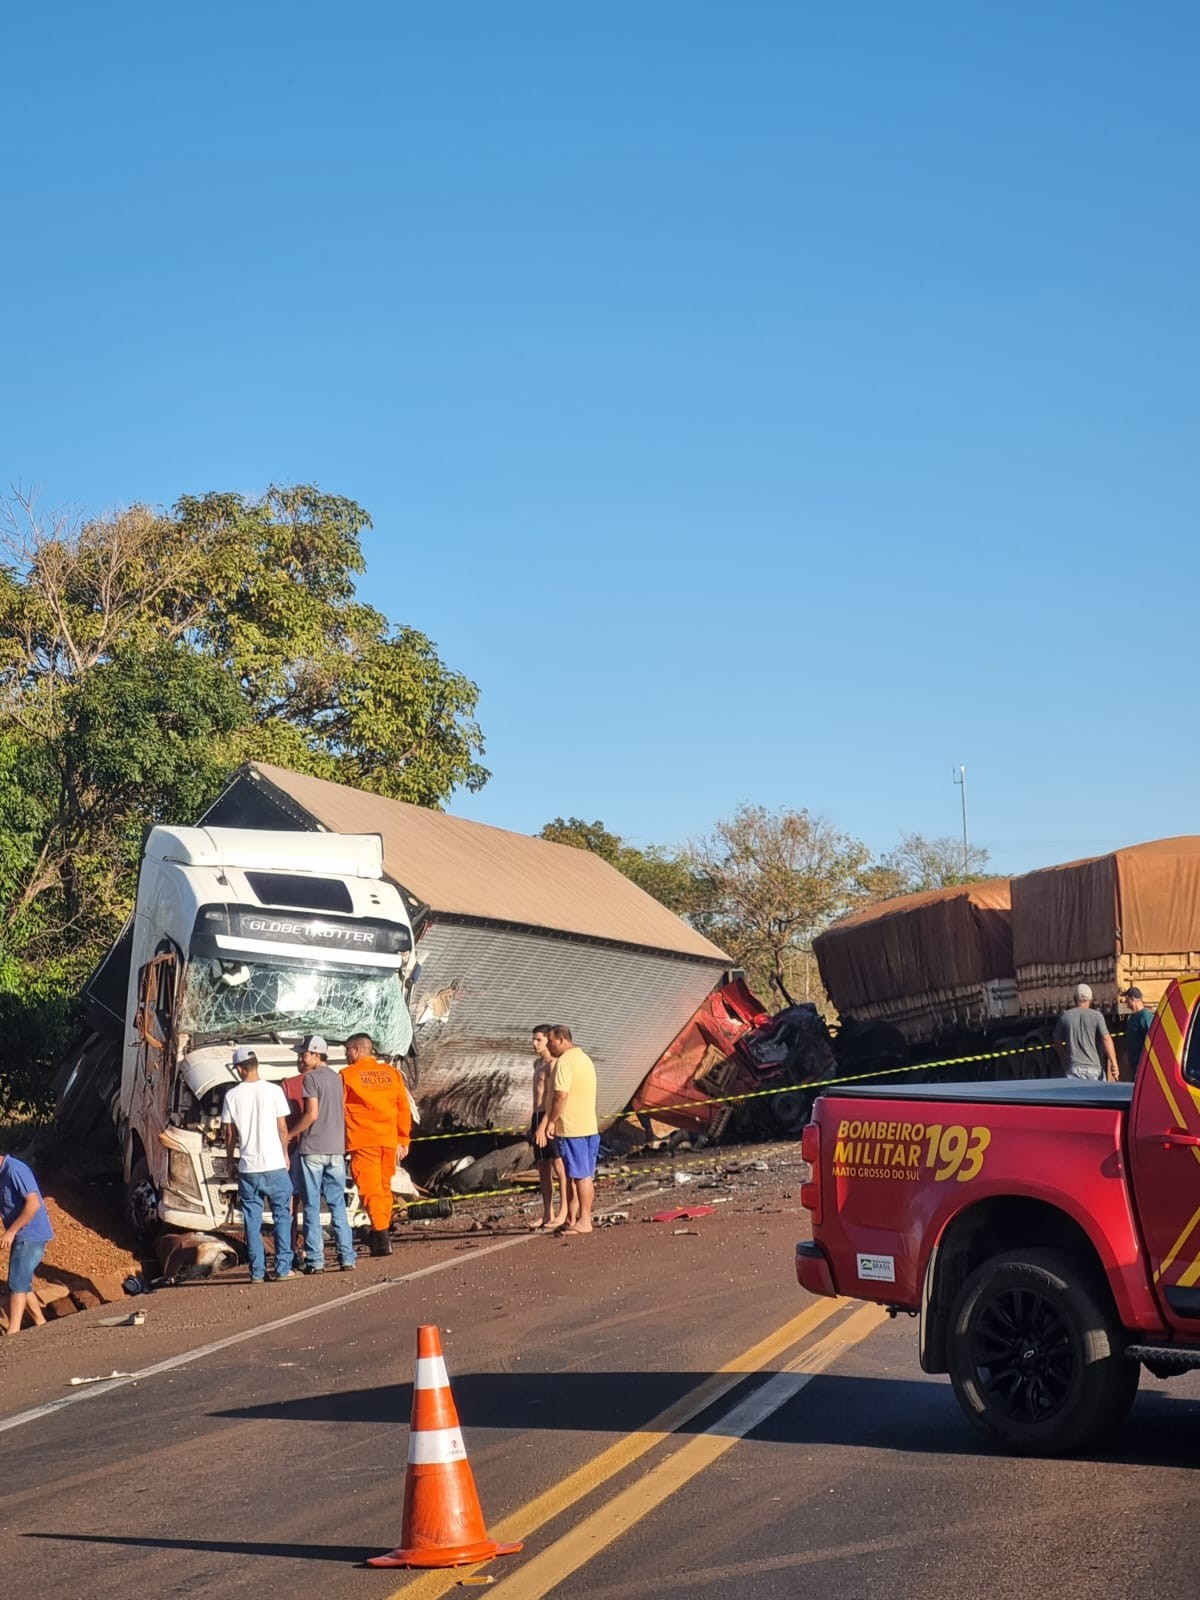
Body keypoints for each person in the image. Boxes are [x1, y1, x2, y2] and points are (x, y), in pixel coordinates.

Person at [220, 1046, 295, 1282]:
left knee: (252, 1220)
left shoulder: (232, 1096)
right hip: (275, 1165)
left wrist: (232, 1161)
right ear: (256, 1065)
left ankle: (257, 1272)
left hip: (248, 1168)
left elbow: (230, 1134)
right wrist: (285, 1154)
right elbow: (282, 1127)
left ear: (240, 1069)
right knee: (282, 1216)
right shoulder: (274, 1091)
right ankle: (283, 1268)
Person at [288, 1035, 356, 1274]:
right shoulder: (338, 1079)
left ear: (317, 1055)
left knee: (311, 1206)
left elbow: (312, 1114)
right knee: (338, 1204)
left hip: (312, 1150)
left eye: (303, 1054)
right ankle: (347, 1257)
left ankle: (316, 1261)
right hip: (336, 1149)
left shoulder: (311, 1079)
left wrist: (289, 1135)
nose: (300, 1058)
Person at [341, 1031, 412, 1257]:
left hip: (363, 1141)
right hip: (388, 1141)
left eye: (347, 1051)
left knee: (370, 1190)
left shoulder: (347, 1076)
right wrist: (403, 1139)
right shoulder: (391, 1074)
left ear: (356, 1050)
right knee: (383, 1188)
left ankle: (381, 1238)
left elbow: (336, 1110)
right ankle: (380, 1231)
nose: (345, 1055)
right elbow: (403, 1108)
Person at [538, 1025, 599, 1235]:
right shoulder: (585, 1059)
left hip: (573, 1128)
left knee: (579, 1176)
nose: (549, 1045)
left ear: (562, 1040)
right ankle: (573, 1218)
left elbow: (560, 1096)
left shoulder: (565, 1062)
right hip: (589, 1125)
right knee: (581, 1175)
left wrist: (551, 1121)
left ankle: (584, 1220)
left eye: (551, 1041)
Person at [0, 1151, 54, 1335]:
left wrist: (11, 1231)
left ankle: (13, 1331)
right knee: (22, 1280)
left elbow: (33, 1203)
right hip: (20, 1235)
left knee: (16, 1282)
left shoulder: (15, 1169)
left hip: (31, 1234)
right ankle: (41, 1323)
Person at [529, 1024, 567, 1231]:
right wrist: (534, 1123)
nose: (535, 1044)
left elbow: (551, 1097)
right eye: (534, 1040)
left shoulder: (553, 1065)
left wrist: (544, 1125)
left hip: (547, 1116)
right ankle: (547, 1213)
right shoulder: (536, 1064)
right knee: (542, 1167)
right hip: (536, 1116)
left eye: (539, 1040)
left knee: (558, 1166)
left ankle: (564, 1211)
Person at [1053, 983, 1119, 1082]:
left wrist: (1065, 1061)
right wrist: (1114, 1063)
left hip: (1073, 1069)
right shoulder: (1097, 1016)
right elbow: (1106, 1039)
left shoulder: (1065, 1017)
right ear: (1091, 999)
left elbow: (1057, 1043)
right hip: (1095, 1069)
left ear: (1075, 998)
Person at [1122, 987, 1154, 1076]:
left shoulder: (1145, 1016)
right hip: (1135, 1064)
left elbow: (1151, 1039)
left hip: (1143, 1064)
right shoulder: (1132, 1018)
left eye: (1126, 999)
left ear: (1133, 999)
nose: (1125, 1002)